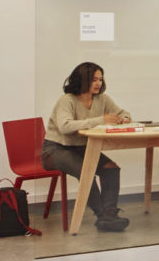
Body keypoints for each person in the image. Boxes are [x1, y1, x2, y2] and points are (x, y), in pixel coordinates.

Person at [41, 61, 131, 231]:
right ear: (82, 80)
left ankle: (109, 214)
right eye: (93, 80)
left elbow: (123, 113)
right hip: (55, 149)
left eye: (100, 79)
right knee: (86, 170)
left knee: (111, 168)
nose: (98, 83)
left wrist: (123, 119)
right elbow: (65, 126)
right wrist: (101, 120)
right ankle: (103, 216)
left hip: (82, 148)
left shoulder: (102, 99)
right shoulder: (67, 100)